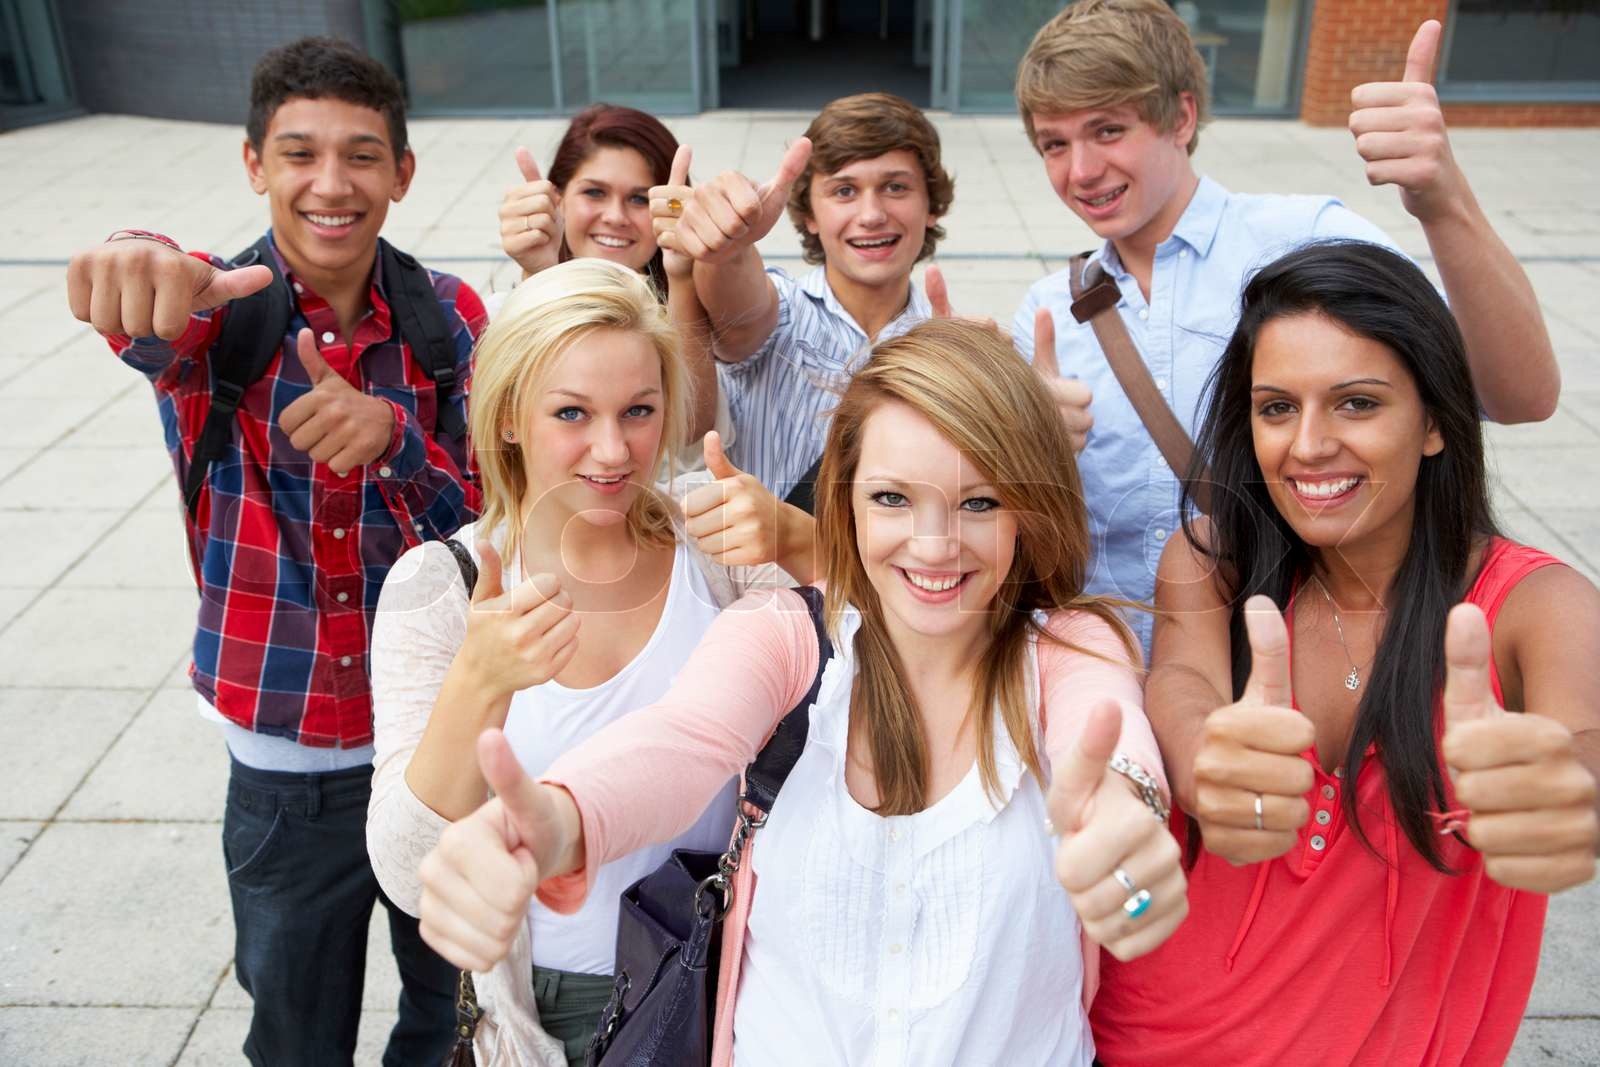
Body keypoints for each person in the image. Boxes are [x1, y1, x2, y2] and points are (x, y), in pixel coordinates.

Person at [415, 318, 1190, 1067]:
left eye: (979, 502)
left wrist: (1127, 838)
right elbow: (679, 743)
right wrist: (553, 822)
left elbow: (1115, 756)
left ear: (1029, 509)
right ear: (845, 502)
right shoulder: (788, 637)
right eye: (892, 498)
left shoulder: (1073, 651)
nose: (934, 544)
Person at [63, 37, 476, 1066]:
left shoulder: (450, 316)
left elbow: (484, 522)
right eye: (299, 153)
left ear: (402, 173)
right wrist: (136, 253)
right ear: (255, 164)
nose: (331, 183)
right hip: (286, 761)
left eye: (361, 155)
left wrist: (397, 443)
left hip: (438, 744)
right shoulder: (216, 308)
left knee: (451, 1014)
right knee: (294, 1033)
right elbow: (149, 306)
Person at [1090, 240, 1600, 1066]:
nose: (1308, 444)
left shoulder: (1534, 604)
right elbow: (1182, 679)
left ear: (1435, 421)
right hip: (1142, 1036)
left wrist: (1557, 787)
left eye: (1356, 404)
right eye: (1276, 407)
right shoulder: (1215, 557)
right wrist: (1204, 758)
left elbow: (1584, 743)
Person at [367, 258, 815, 1065]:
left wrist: (804, 543)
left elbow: (881, 656)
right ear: (509, 415)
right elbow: (407, 875)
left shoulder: (720, 552)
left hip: (719, 978)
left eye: (638, 410)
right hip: (542, 1014)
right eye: (572, 412)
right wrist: (477, 682)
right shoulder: (439, 585)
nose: (612, 450)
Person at [1010, 0, 1560, 650]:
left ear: (1181, 117)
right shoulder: (1049, 315)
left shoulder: (1305, 239)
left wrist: (1443, 202)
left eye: (1107, 131)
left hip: (1286, 664)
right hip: (1109, 670)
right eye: (1055, 144)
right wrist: (1018, 443)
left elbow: (1518, 396)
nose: (1080, 171)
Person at [657, 91, 953, 512]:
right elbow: (740, 311)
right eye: (845, 191)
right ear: (809, 213)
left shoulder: (951, 341)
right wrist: (729, 247)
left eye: (895, 187)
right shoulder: (784, 312)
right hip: (763, 556)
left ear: (931, 205)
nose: (872, 214)